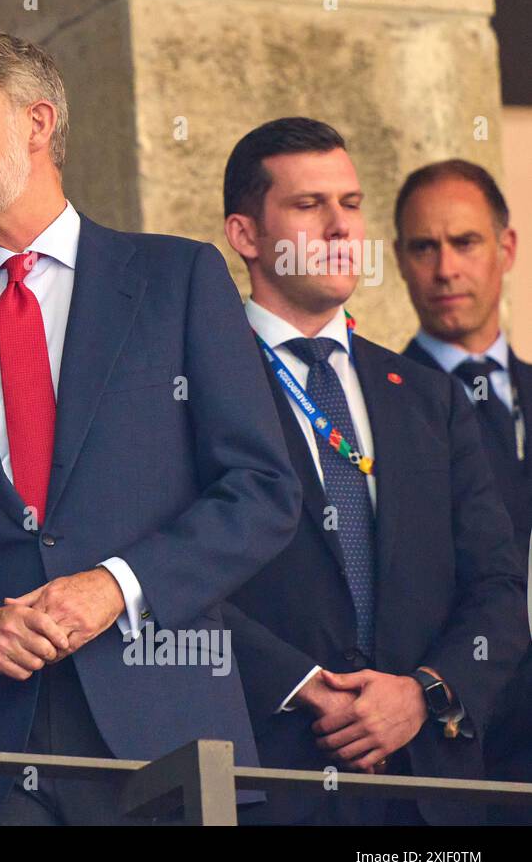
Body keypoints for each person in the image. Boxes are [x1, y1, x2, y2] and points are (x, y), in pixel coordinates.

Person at [0, 30, 301, 825]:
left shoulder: (176, 280)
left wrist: (115, 587)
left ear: (38, 123)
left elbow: (261, 491)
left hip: (164, 739)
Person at [220, 118, 528, 824]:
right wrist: (301, 685)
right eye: (308, 206)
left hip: (430, 791)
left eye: (351, 204)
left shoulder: (428, 395)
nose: (339, 227)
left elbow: (499, 586)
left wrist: (424, 692)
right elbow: (172, 582)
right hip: (271, 780)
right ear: (245, 235)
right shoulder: (193, 386)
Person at [394, 158, 532, 812]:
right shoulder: (374, 406)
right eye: (425, 247)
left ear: (505, 248)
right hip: (447, 751)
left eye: (465, 242)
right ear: (397, 260)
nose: (445, 268)